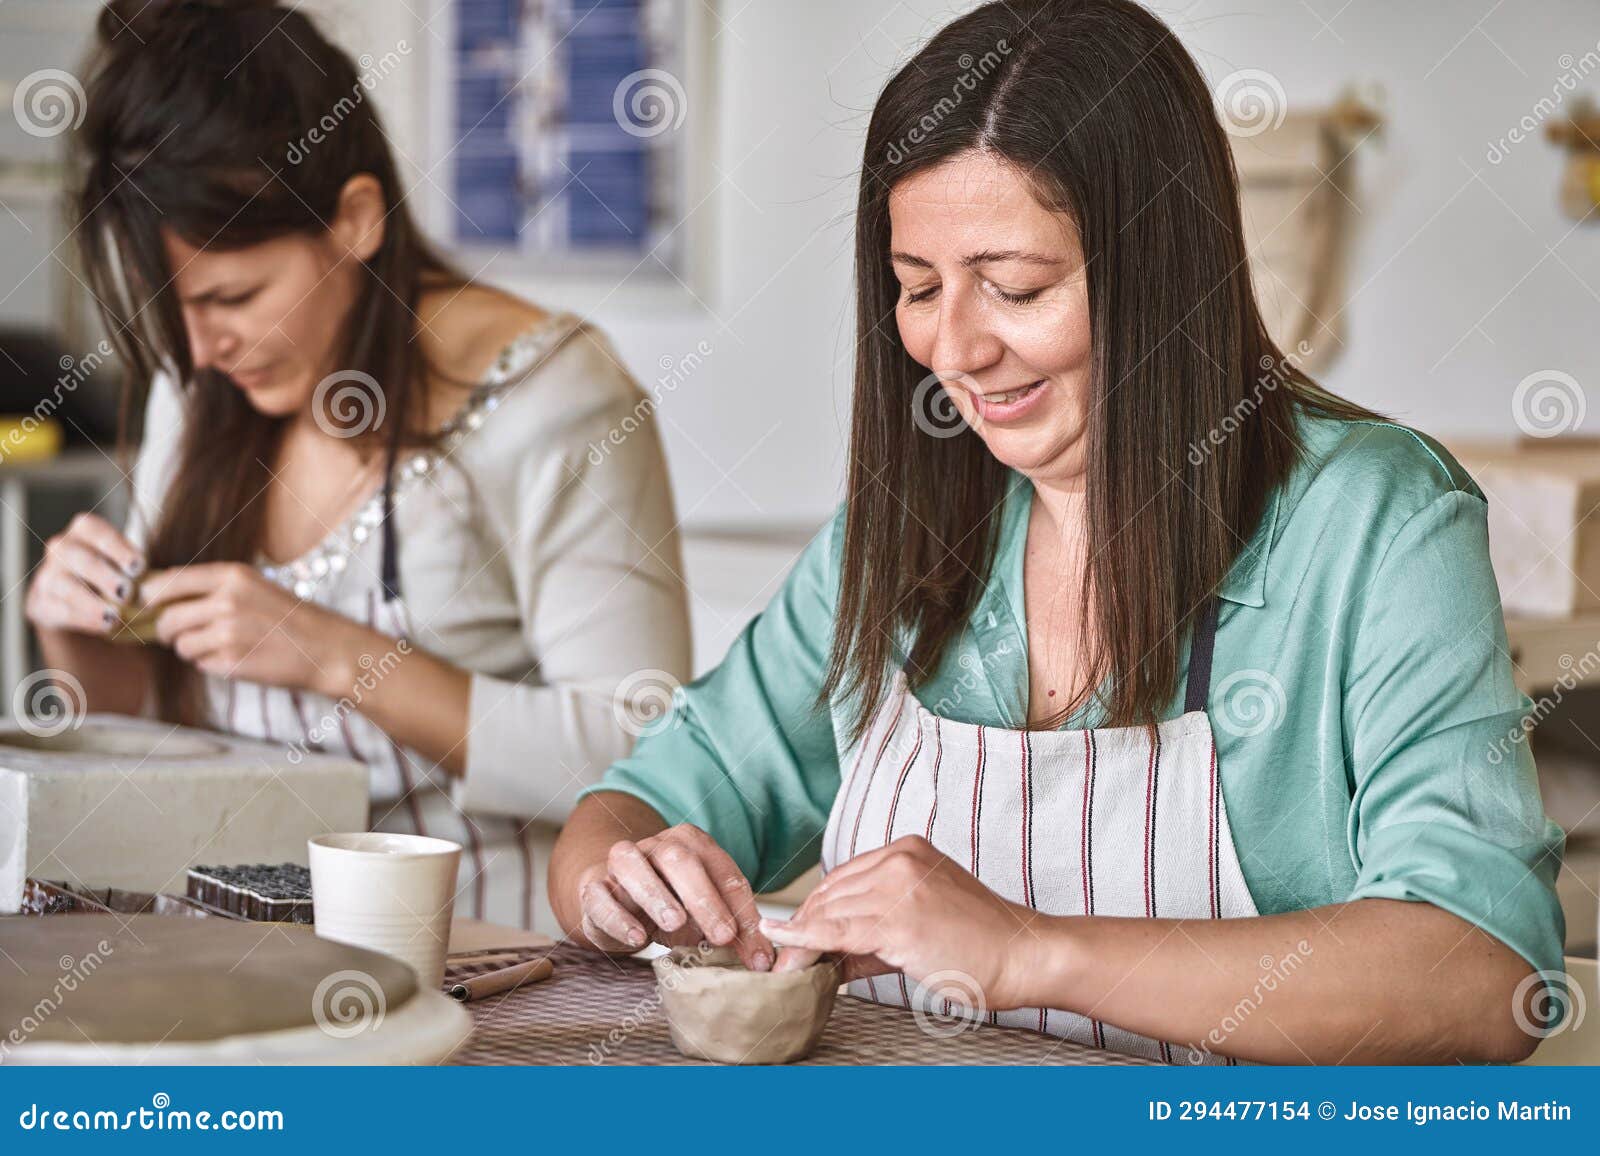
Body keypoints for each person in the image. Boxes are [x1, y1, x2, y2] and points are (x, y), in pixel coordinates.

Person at [549, 0, 1566, 1063]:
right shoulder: (899, 534)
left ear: (1160, 267)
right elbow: (626, 807)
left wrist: (1025, 949)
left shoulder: (1371, 521)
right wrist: (621, 881)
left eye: (1015, 288)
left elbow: (1480, 973)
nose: (954, 349)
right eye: (916, 289)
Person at [25, 0, 690, 932]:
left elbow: (648, 750)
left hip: (481, 970)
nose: (202, 347)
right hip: (221, 962)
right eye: (170, 312)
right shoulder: (207, 379)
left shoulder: (553, 398)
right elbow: (167, 740)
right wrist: (84, 644)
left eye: (235, 296)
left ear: (355, 220)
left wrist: (337, 656)